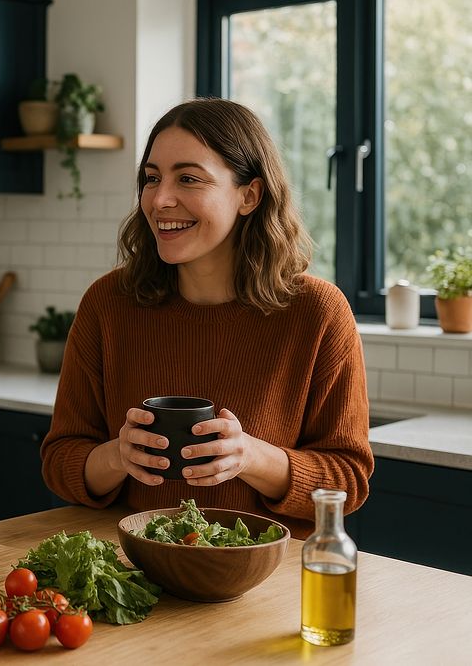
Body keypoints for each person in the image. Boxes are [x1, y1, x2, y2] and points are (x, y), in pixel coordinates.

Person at [41, 98, 373, 539]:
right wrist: (117, 457)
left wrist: (249, 457)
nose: (160, 199)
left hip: (265, 581)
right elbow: (60, 461)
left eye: (189, 178)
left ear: (249, 195)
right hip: (134, 571)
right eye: (152, 178)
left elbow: (347, 482)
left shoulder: (318, 313)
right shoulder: (108, 303)